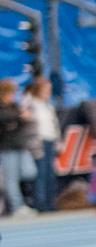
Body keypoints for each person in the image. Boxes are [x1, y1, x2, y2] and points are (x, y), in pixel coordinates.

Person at [21, 79, 59, 212]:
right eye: (45, 89)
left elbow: (54, 123)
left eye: (49, 90)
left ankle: (50, 202)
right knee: (40, 174)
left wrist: (58, 140)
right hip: (38, 143)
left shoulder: (48, 105)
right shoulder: (30, 103)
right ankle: (40, 203)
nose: (48, 92)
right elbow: (24, 119)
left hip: (50, 140)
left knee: (50, 173)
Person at [0, 80, 34, 217]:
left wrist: (20, 119)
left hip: (20, 145)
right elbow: (4, 118)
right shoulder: (3, 108)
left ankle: (20, 203)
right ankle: (16, 206)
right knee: (11, 179)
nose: (13, 95)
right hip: (6, 147)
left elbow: (22, 120)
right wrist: (19, 117)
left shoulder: (14, 106)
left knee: (29, 172)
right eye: (10, 92)